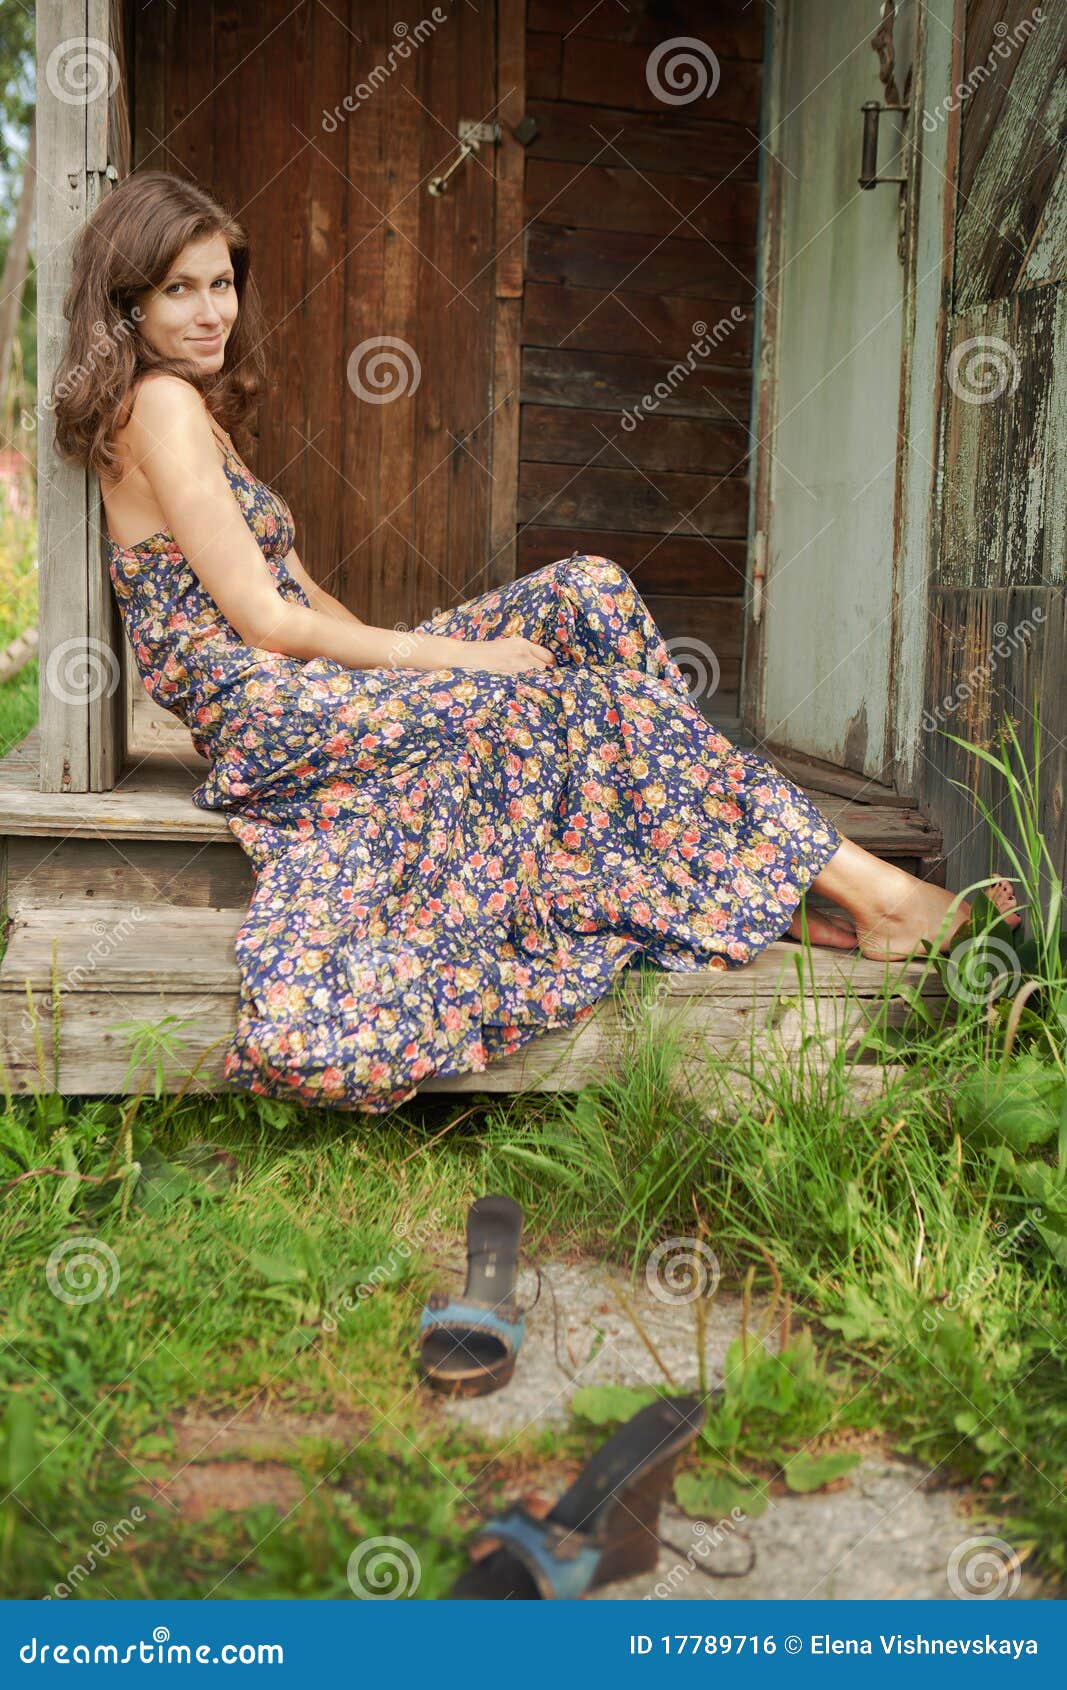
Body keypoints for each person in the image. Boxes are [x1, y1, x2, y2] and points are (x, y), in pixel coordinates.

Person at [51, 173, 1019, 1112]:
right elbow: (264, 626)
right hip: (266, 715)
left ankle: (714, 870)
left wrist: (417, 666)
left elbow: (300, 594)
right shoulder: (163, 407)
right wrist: (464, 663)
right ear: (127, 302)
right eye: (179, 289)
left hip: (301, 685)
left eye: (221, 283)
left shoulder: (187, 409)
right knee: (593, 701)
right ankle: (869, 895)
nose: (211, 310)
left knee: (583, 594)